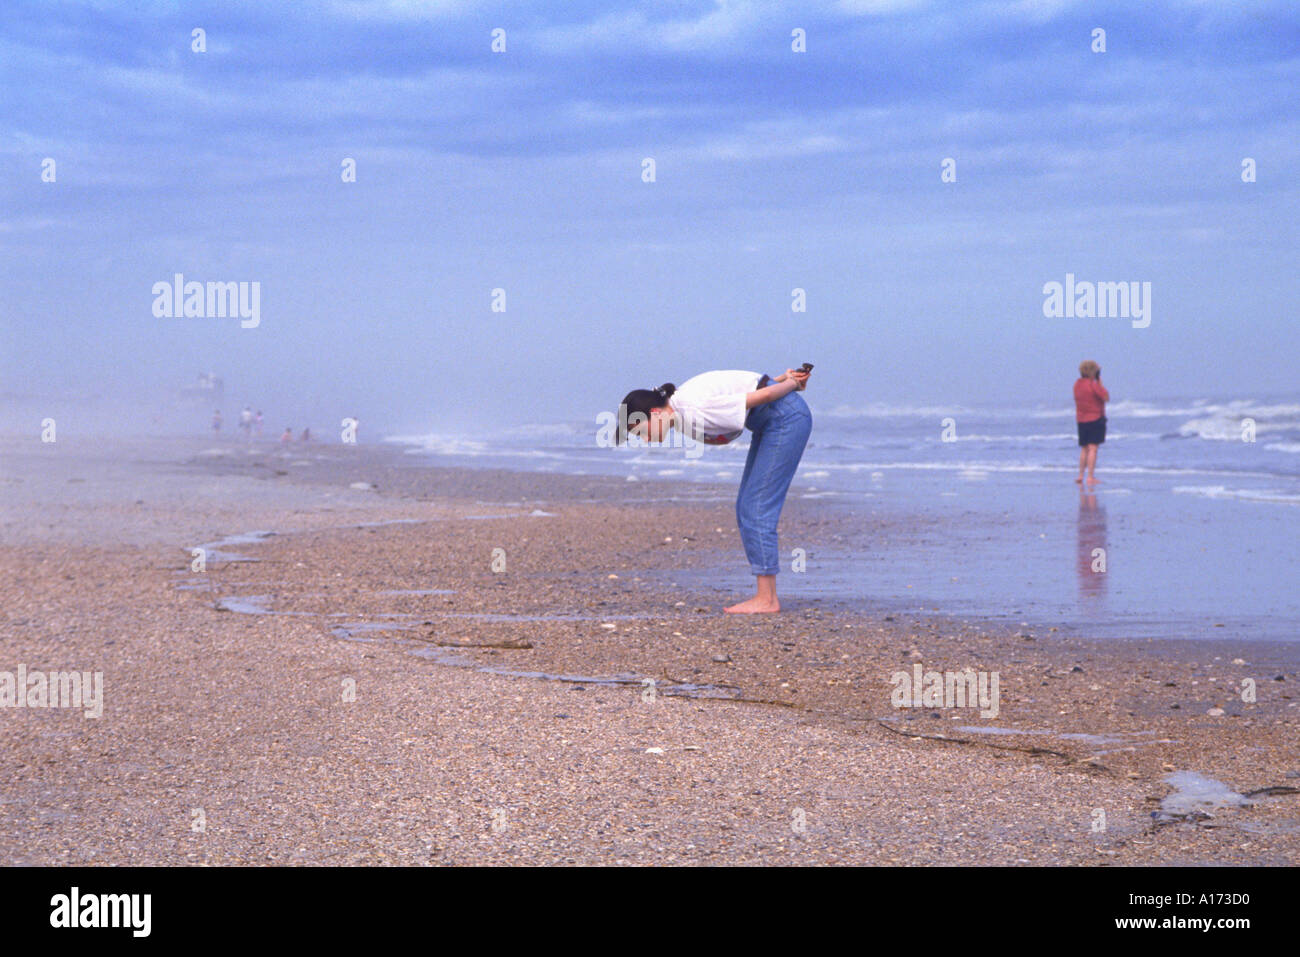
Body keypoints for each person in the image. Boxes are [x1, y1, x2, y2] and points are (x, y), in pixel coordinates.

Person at [616, 367, 812, 614]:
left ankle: (767, 599)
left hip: (786, 419)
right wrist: (783, 380)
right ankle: (766, 594)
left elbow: (761, 397)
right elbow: (747, 392)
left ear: (654, 413)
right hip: (773, 419)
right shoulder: (681, 415)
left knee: (756, 508)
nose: (645, 440)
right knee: (746, 506)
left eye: (641, 432)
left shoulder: (693, 408)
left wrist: (792, 384)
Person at [1073, 360, 1109, 485]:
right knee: (1093, 448)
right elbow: (1105, 397)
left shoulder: (1077, 384)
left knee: (1084, 449)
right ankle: (1090, 477)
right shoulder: (1093, 384)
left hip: (1081, 419)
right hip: (1095, 417)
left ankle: (1080, 475)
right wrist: (1100, 384)